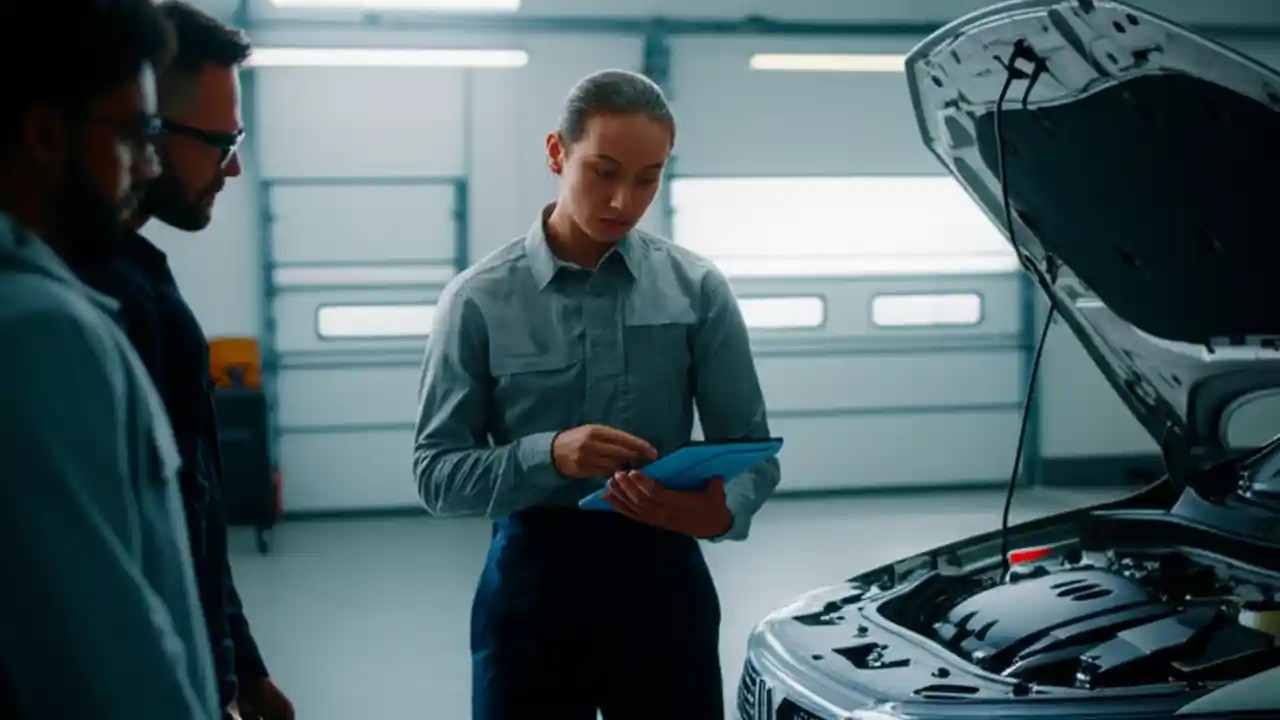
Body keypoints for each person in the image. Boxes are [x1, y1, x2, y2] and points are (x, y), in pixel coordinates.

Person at [414, 69, 781, 718]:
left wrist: (720, 514)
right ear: (557, 153)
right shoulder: (478, 300)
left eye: (648, 178)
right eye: (603, 172)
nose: (623, 201)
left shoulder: (697, 289)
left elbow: (751, 451)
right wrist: (547, 454)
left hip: (665, 580)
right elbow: (437, 475)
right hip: (531, 590)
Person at [73, 3, 294, 720]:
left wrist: (239, 666)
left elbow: (189, 507)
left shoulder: (146, 281)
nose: (232, 165)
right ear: (141, 122)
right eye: (220, 141)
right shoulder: (87, 304)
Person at [0, 1, 219, 719]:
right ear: (42, 135)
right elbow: (96, 641)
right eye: (133, 135)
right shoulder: (40, 329)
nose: (146, 165)